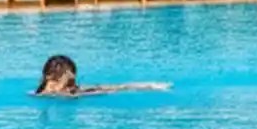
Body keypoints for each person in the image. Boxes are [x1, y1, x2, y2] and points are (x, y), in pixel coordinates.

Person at [33, 55, 171, 96]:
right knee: (117, 88)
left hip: (84, 92)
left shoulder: (69, 93)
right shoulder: (63, 93)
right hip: (82, 92)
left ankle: (149, 85)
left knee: (118, 87)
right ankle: (149, 85)